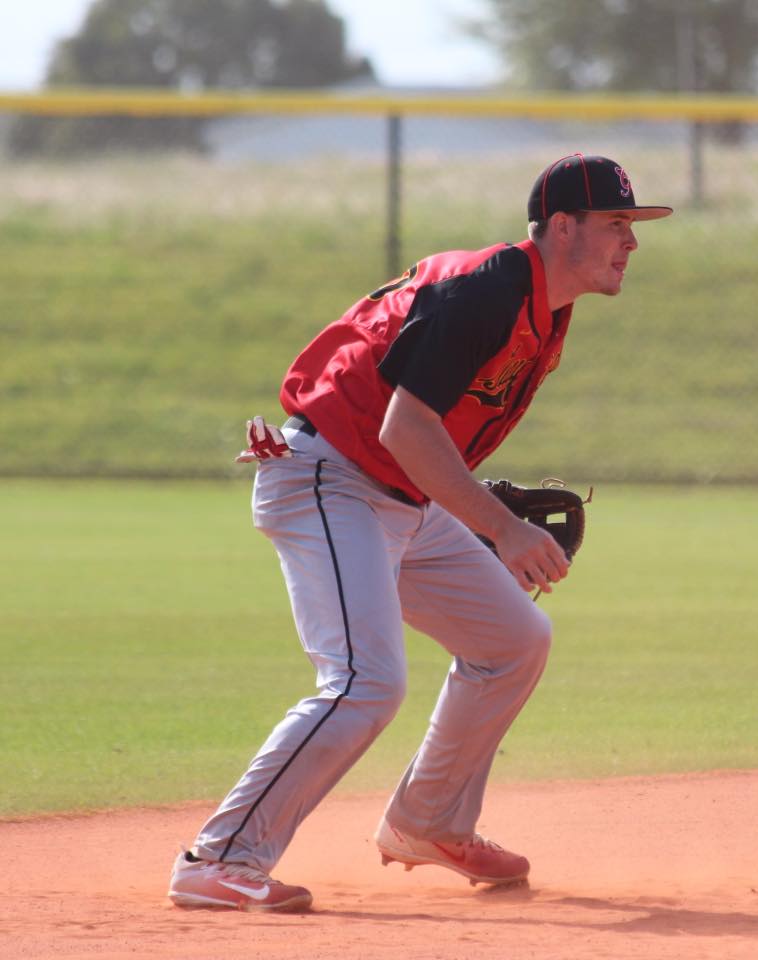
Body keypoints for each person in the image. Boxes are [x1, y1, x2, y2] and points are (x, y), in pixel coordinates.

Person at [168, 153, 673, 911]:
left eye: (633, 226)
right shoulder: (489, 291)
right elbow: (406, 427)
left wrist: (472, 507)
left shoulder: (545, 310)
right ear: (562, 226)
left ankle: (427, 821)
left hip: (396, 495)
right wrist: (499, 527)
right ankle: (218, 857)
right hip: (330, 479)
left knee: (514, 640)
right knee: (365, 682)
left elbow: (427, 429)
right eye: (615, 224)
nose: (631, 242)